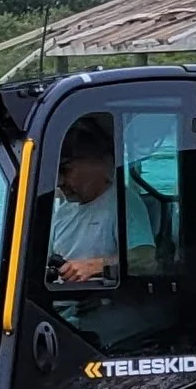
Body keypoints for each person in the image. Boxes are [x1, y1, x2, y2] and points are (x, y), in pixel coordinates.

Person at [49, 114, 160, 283]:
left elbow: (146, 260)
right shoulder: (63, 210)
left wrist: (97, 266)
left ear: (98, 163)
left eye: (65, 170)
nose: (59, 182)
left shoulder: (123, 203)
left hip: (104, 297)